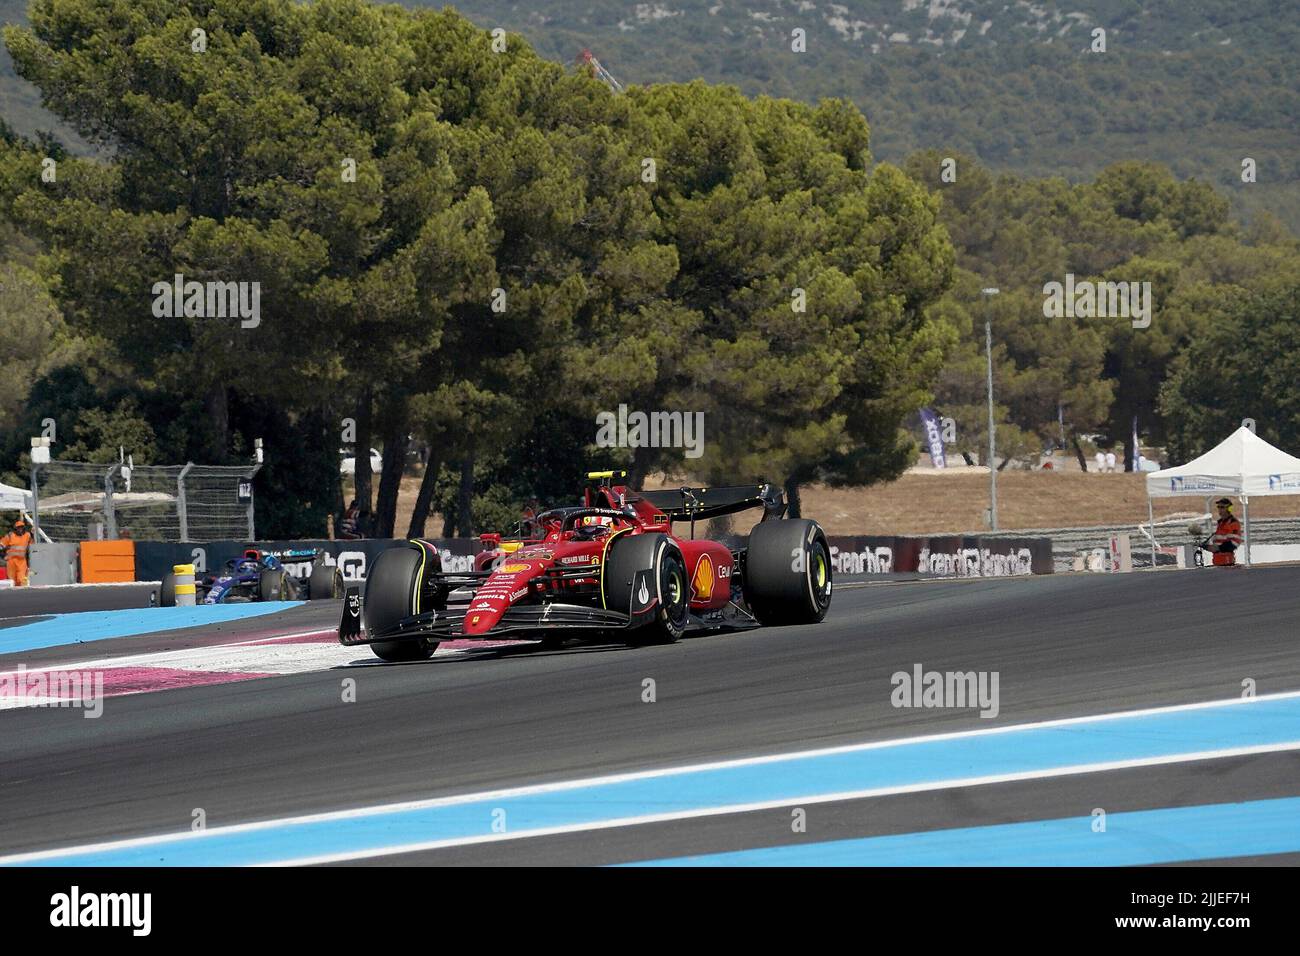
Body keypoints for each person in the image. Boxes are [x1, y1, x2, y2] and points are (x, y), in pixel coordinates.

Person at [1208, 498, 1243, 567]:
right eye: (1218, 507)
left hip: (1227, 562)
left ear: (1229, 509)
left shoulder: (1233, 523)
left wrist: (1218, 548)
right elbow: (1218, 541)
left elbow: (1235, 543)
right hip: (1217, 560)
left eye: (1222, 507)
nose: (1219, 509)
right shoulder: (1220, 523)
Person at [2, 518, 34, 587]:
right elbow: (2, 544)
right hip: (11, 561)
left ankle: (22, 595)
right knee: (11, 581)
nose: (20, 529)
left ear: (24, 528)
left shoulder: (27, 535)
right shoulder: (10, 536)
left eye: (22, 527)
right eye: (18, 528)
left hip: (22, 561)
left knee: (22, 579)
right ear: (15, 529)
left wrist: (33, 534)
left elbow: (32, 543)